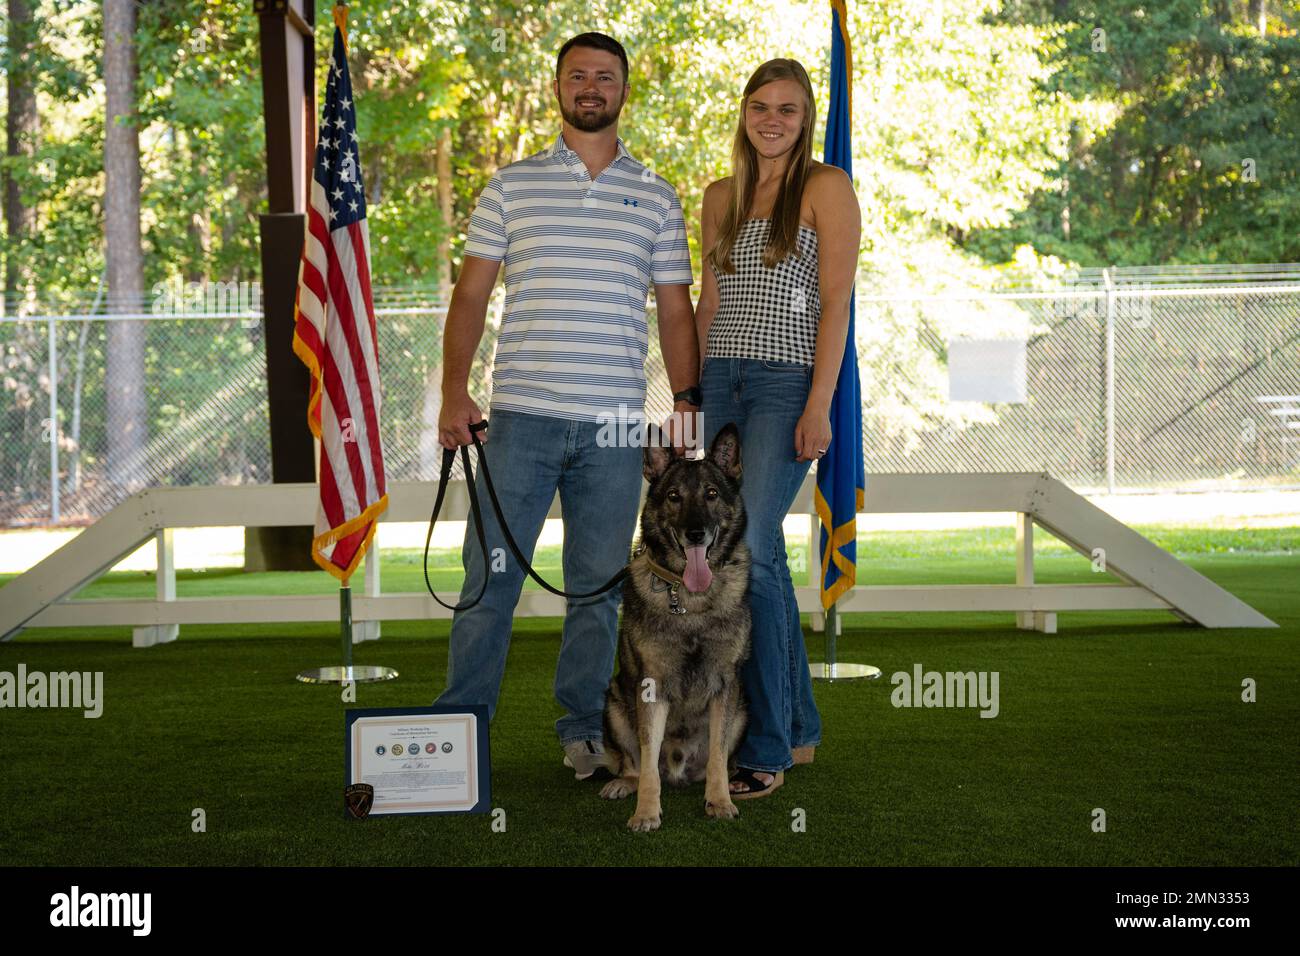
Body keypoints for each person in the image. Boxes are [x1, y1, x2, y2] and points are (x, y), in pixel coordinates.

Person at [434, 32, 701, 780]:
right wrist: (456, 392)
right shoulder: (510, 187)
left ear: (623, 90)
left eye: (604, 76)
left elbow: (675, 313)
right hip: (519, 418)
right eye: (577, 75)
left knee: (595, 591)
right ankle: (461, 730)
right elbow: (472, 295)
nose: (591, 86)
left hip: (616, 427)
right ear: (558, 89)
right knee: (489, 582)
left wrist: (686, 403)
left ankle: (584, 731)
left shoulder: (654, 194)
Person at [695, 58, 862, 798]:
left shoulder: (828, 189)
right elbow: (708, 300)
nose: (773, 119)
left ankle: (763, 743)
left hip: (784, 383)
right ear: (744, 111)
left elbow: (836, 305)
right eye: (761, 106)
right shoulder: (719, 196)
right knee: (749, 556)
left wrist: (820, 402)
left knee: (753, 551)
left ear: (806, 116)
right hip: (723, 384)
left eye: (789, 109)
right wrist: (690, 393)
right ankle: (797, 730)